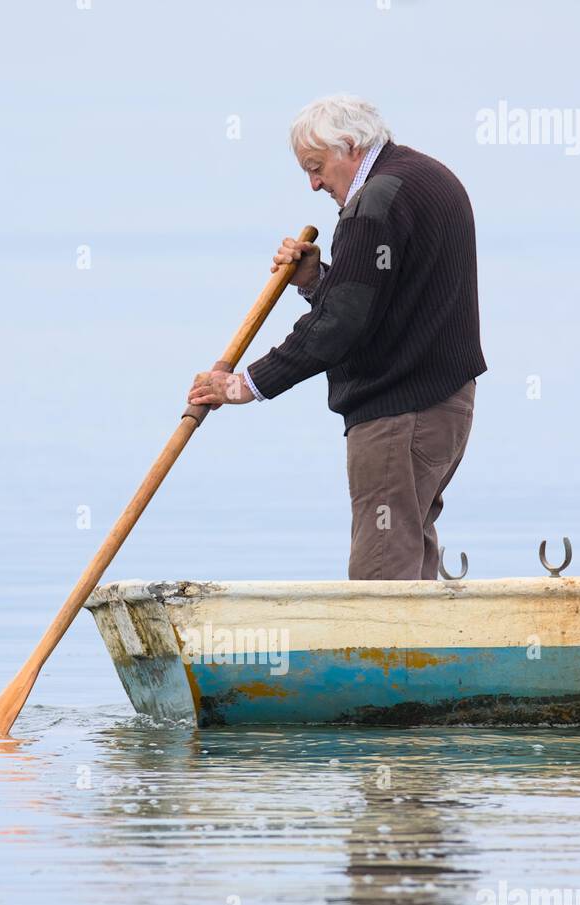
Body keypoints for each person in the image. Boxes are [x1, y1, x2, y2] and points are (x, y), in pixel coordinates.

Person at [187, 94, 487, 581]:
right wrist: (314, 280)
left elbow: (341, 326)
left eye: (316, 166)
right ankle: (419, 654)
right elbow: (376, 302)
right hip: (443, 406)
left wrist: (247, 384)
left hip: (400, 413)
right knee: (410, 554)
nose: (314, 184)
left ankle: (383, 658)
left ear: (349, 146)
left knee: (382, 572)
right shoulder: (425, 177)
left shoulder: (375, 201)